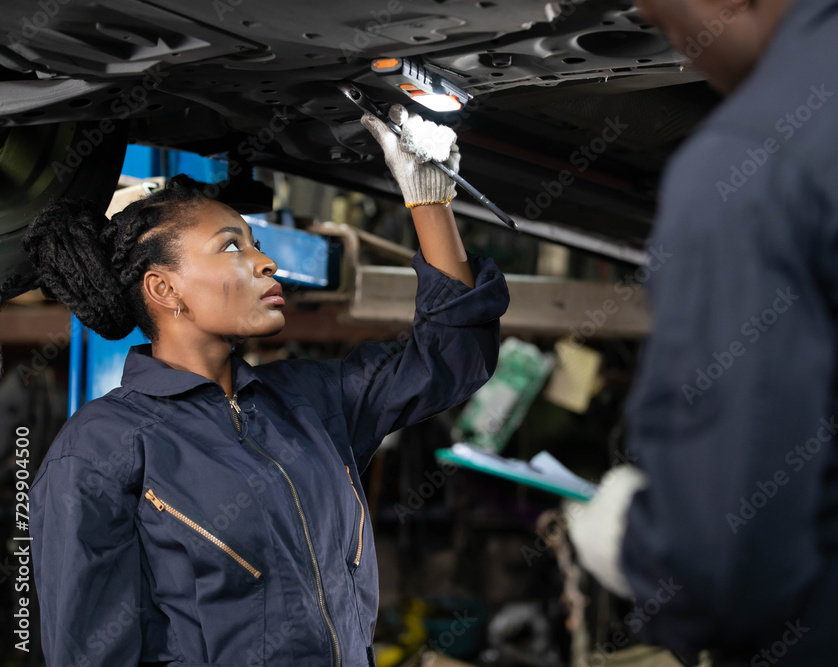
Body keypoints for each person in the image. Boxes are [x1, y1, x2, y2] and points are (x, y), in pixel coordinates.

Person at [566, 0, 838, 665]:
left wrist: (632, 542)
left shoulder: (750, 159)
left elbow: (727, 559)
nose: (682, 48)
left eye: (661, 22)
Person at [1, 105, 509, 666]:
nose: (266, 262)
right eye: (231, 246)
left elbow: (454, 356)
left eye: (255, 243)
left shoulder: (310, 402)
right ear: (165, 289)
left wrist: (429, 200)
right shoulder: (100, 449)